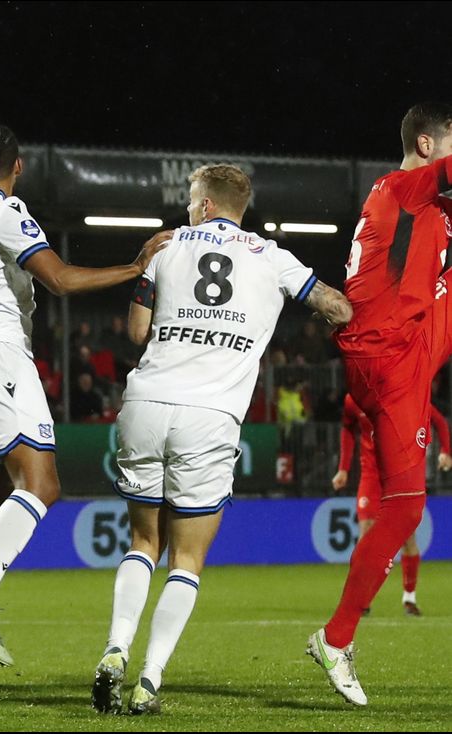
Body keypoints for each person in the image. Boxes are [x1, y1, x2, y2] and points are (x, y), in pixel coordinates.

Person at [0, 123, 172, 699]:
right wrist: (134, 268)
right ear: (18, 166)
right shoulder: (8, 211)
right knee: (44, 485)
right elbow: (58, 279)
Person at [85, 163, 351, 714]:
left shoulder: (166, 246)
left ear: (206, 204)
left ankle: (115, 651)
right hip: (210, 416)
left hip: (147, 403)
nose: (186, 208)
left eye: (189, 198)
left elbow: (137, 333)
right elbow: (336, 306)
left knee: (143, 544)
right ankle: (149, 682)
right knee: (187, 558)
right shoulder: (273, 257)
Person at [310, 102, 452, 707]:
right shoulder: (408, 187)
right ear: (426, 144)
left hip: (399, 343)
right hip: (389, 351)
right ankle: (336, 637)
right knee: (405, 507)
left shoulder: (421, 208)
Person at [333, 395, 451, 616]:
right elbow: (347, 428)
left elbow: (439, 421)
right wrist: (343, 468)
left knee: (407, 538)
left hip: (400, 476)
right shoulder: (354, 398)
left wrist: (446, 450)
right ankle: (362, 599)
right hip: (371, 476)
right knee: (366, 534)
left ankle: (409, 598)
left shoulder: (403, 391)